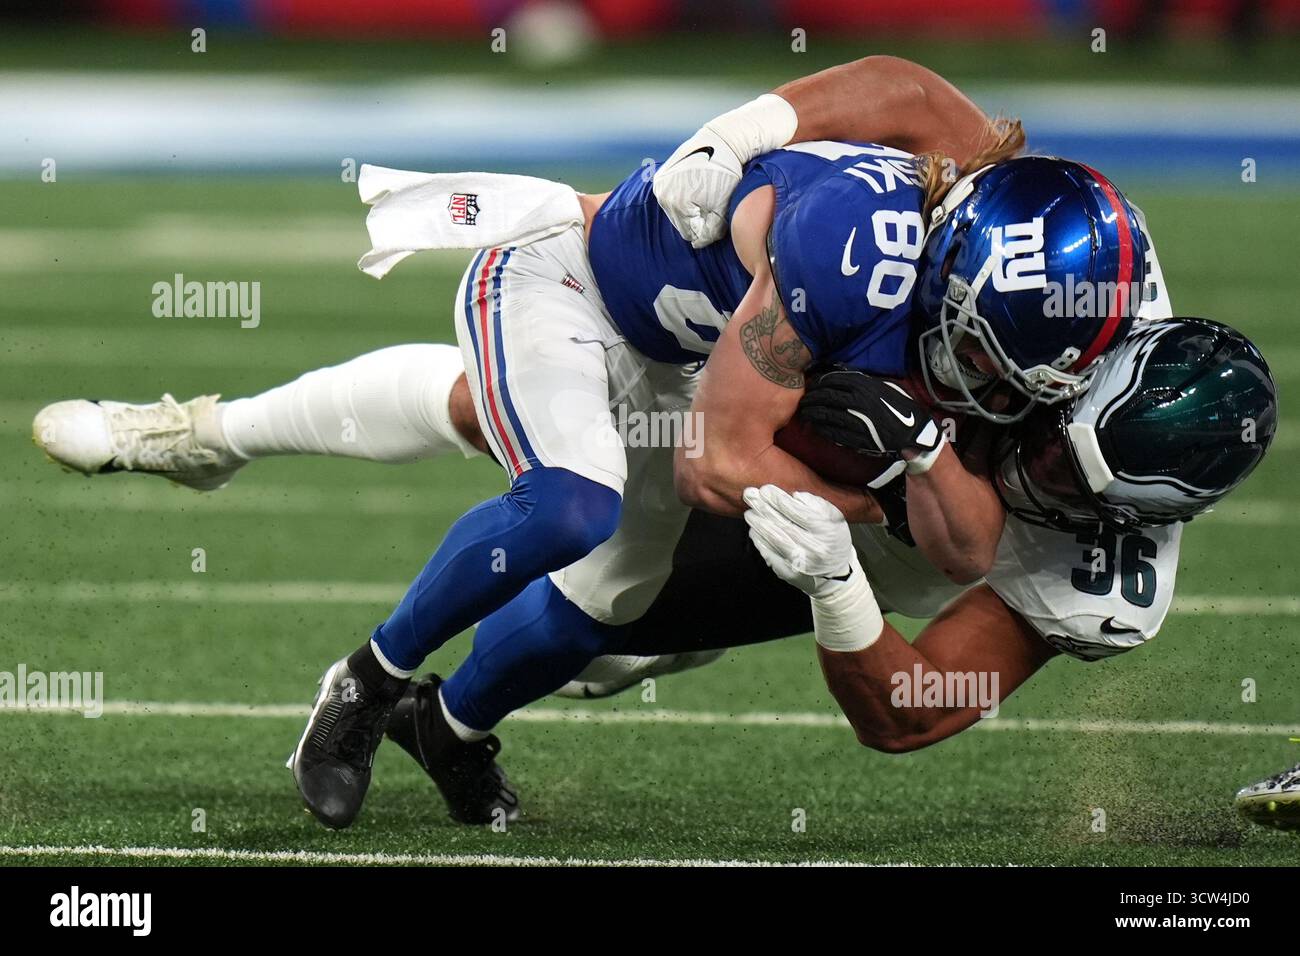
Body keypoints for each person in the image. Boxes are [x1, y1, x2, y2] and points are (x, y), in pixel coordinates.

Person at [32, 57, 1151, 829]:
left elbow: (905, 93)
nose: (996, 391)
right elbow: (719, 461)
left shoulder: (1041, 242)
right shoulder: (854, 252)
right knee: (570, 498)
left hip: (687, 355)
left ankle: (452, 726)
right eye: (986, 358)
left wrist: (907, 462)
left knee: (611, 601)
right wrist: (864, 509)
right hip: (568, 286)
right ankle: (362, 678)